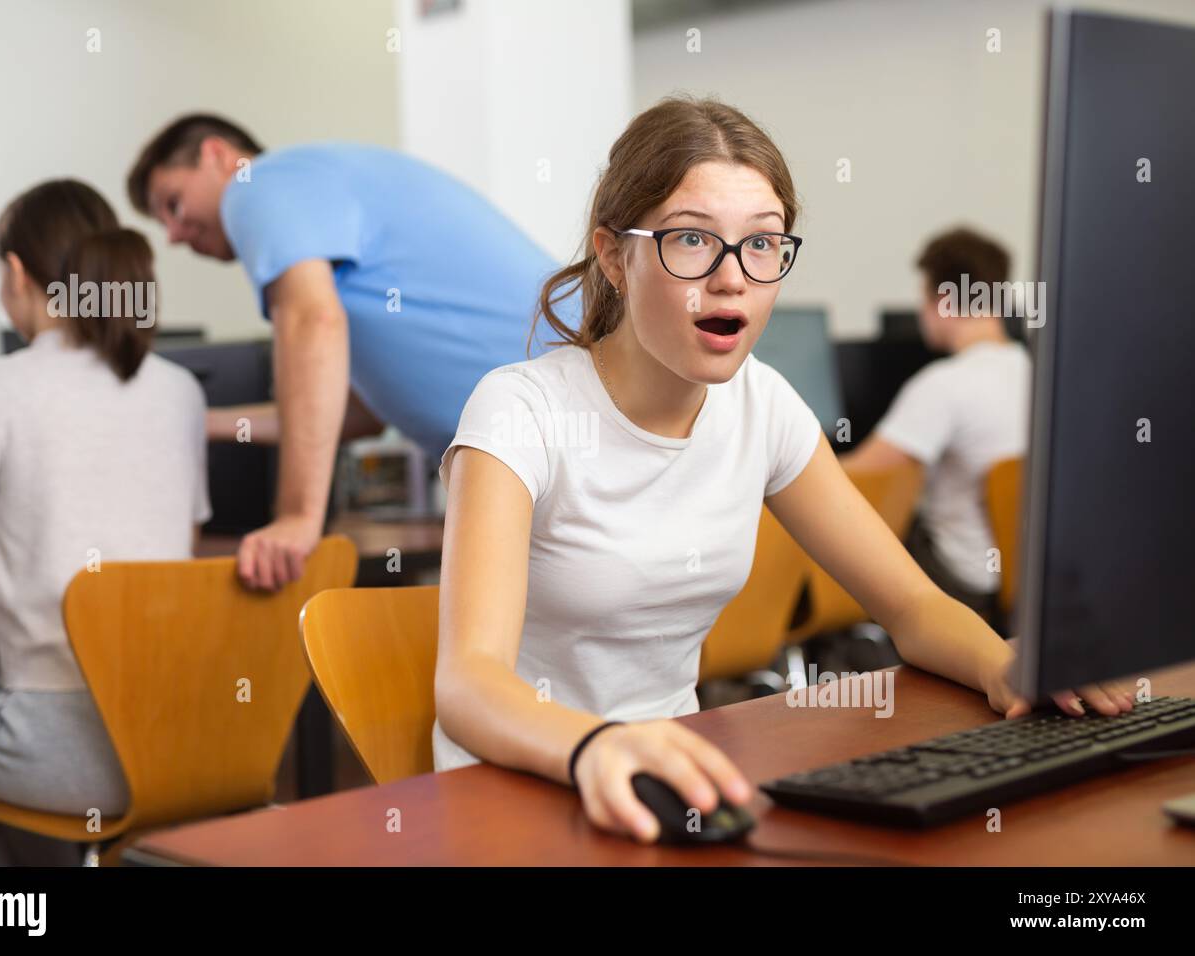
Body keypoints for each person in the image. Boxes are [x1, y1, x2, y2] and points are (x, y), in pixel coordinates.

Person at [430, 96, 1134, 844]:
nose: (733, 278)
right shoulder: (520, 410)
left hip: (677, 785)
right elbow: (468, 684)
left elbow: (912, 608)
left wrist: (1006, 663)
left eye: (762, 245)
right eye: (693, 240)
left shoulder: (762, 402)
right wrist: (594, 744)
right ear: (614, 255)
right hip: (518, 794)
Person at [0, 180, 211, 865]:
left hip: (66, 743)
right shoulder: (178, 390)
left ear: (15, 273)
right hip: (185, 732)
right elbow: (161, 557)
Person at [127, 115, 578, 590]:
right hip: (551, 453)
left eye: (173, 204)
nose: (174, 235)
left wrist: (298, 518)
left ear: (216, 155)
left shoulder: (256, 184)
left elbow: (311, 323)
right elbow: (356, 415)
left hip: (566, 427)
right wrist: (208, 423)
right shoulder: (327, 228)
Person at [840, 228, 1031, 630]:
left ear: (943, 300)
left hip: (961, 579)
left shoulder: (944, 384)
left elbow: (860, 473)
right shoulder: (1032, 371)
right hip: (1023, 574)